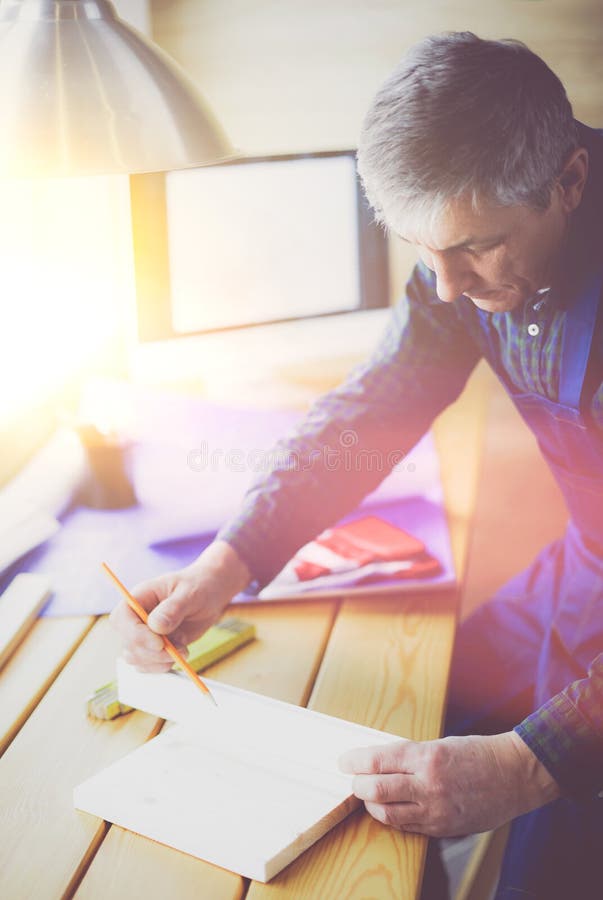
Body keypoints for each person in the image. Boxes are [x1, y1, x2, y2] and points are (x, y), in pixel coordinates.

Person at [110, 32, 603, 899]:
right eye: (424, 250)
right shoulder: (458, 262)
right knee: (375, 745)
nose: (445, 288)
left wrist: (530, 768)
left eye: (475, 248)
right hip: (577, 575)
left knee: (538, 868)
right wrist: (233, 560)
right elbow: (376, 413)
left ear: (567, 181)